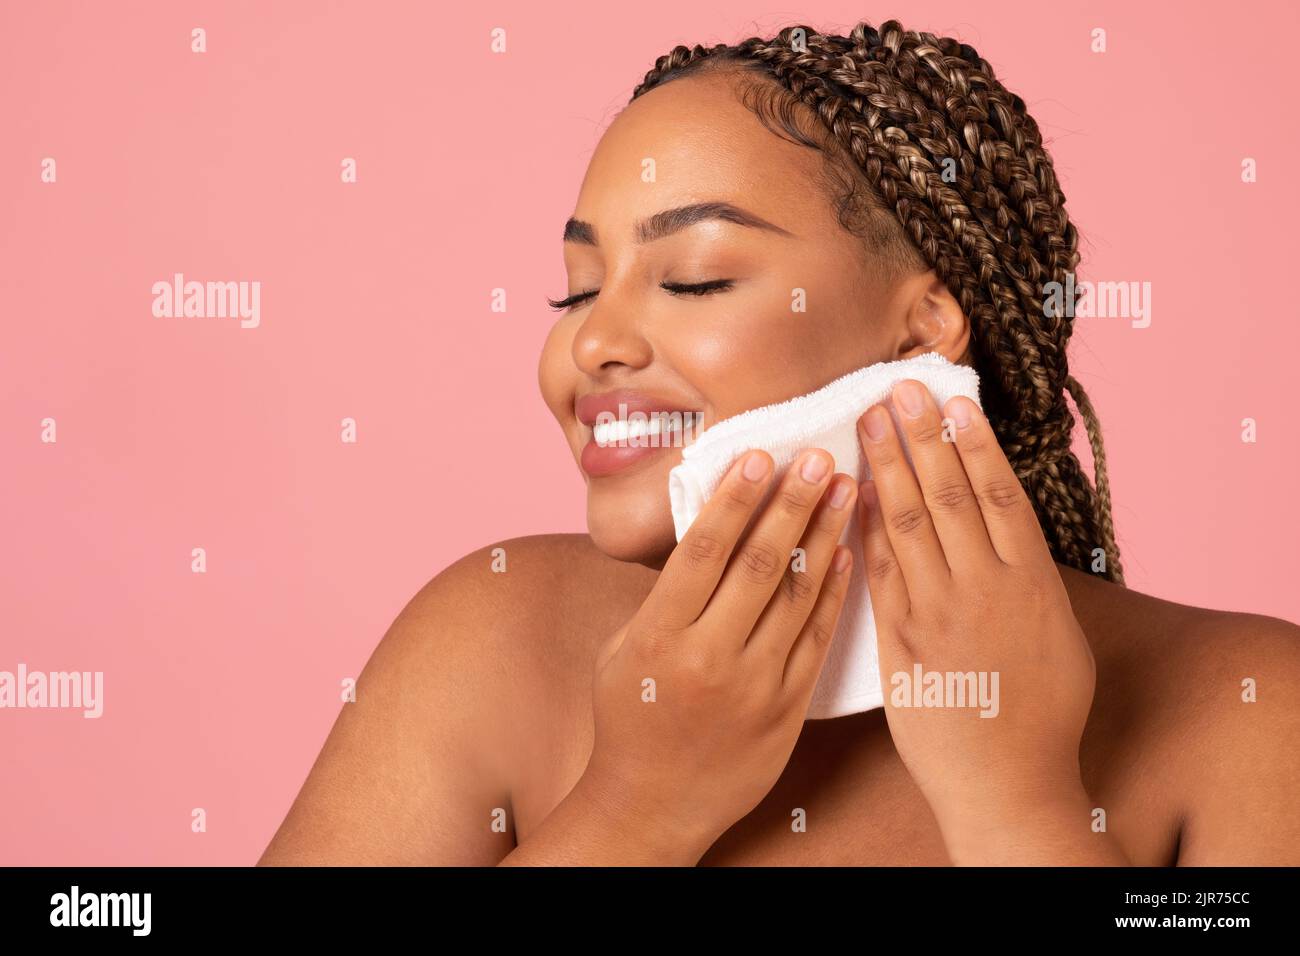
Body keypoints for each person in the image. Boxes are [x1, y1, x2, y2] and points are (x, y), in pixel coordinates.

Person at [258, 20, 1300, 866]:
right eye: (576, 289)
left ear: (926, 329)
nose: (594, 340)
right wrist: (633, 811)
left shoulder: (1252, 712)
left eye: (695, 278)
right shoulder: (491, 643)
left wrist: (1016, 803)